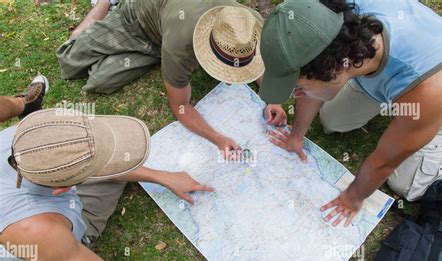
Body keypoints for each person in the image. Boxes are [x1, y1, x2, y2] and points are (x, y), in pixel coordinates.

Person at [0, 76, 214, 261]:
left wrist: (161, 176)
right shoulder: (41, 233)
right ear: (62, 189)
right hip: (38, 248)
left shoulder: (29, 132)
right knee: (112, 183)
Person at [259, 0, 442, 227]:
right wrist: (296, 136)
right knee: (333, 121)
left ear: (333, 71)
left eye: (300, 88)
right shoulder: (329, 25)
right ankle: (396, 102)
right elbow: (312, 81)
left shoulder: (431, 89)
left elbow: (385, 160)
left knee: (407, 187)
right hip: (377, 73)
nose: (297, 94)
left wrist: (353, 198)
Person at [56, 0, 287, 159]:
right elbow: (181, 106)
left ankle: (155, 50)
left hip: (168, 30)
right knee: (70, 61)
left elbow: (252, 62)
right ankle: (108, 3)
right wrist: (217, 138)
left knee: (101, 79)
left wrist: (272, 97)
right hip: (138, 19)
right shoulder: (182, 45)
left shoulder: (247, 25)